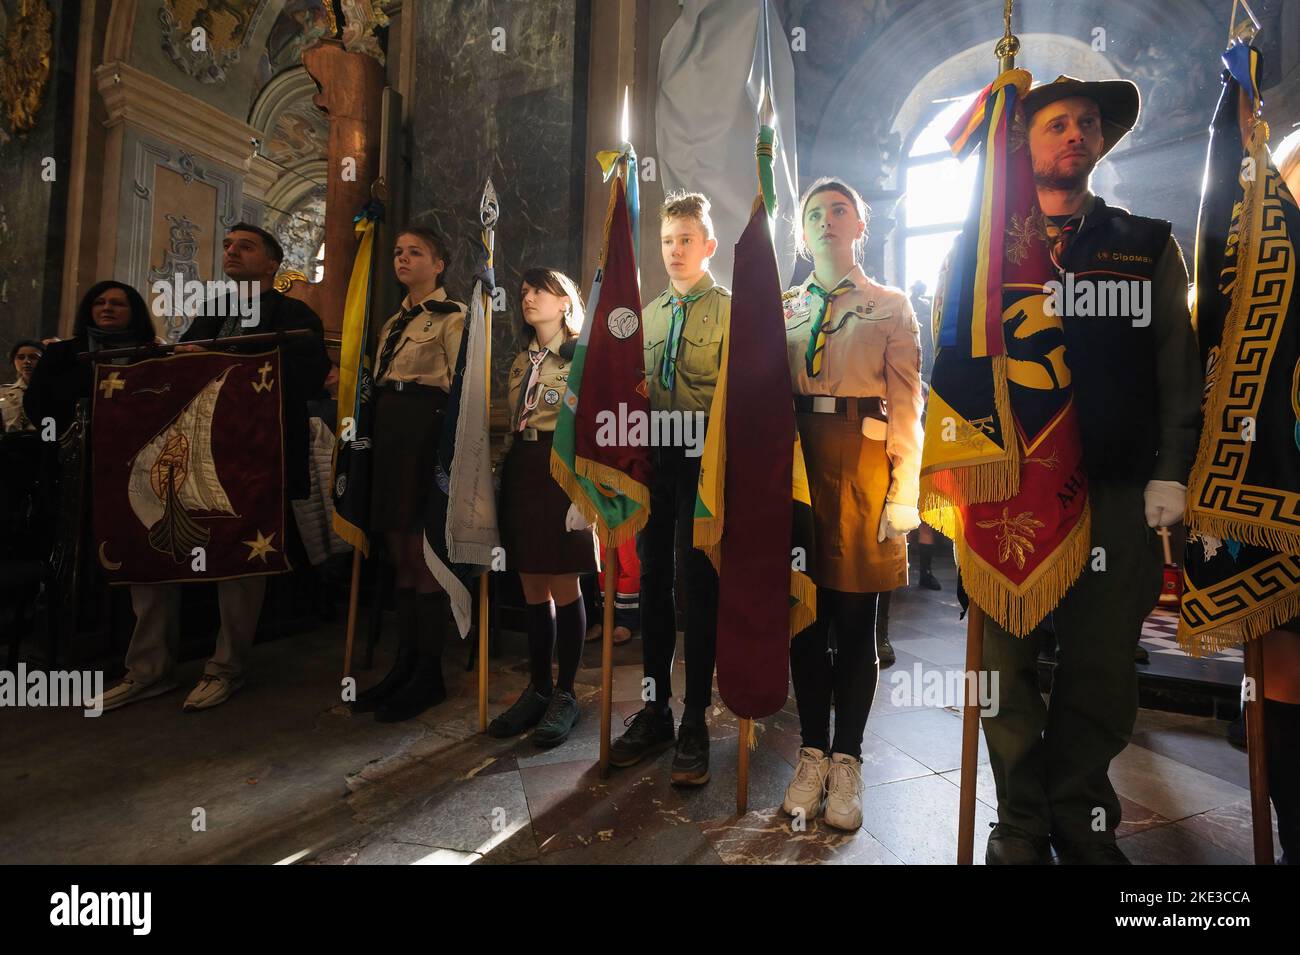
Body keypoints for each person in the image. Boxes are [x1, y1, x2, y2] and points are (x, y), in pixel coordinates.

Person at [975, 77, 1202, 864]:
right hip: (1010, 495)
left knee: (1102, 671)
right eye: (1057, 123)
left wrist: (1171, 472)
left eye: (1087, 124)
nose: (1076, 133)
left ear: (1100, 144)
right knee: (1002, 674)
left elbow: (1180, 372)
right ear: (1023, 144)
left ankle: (1082, 814)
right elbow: (954, 373)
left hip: (1114, 491)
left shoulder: (1146, 245)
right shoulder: (982, 253)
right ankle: (1020, 821)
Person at [93, 223, 329, 713]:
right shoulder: (213, 311)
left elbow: (308, 375)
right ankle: (149, 669)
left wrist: (232, 360)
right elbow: (179, 368)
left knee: (238, 556)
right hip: (190, 450)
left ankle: (227, 667)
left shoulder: (292, 313)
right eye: (226, 245)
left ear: (272, 264)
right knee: (152, 544)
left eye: (246, 246)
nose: (232, 252)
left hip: (251, 455)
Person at [779, 177, 923, 830]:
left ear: (859, 225)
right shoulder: (783, 309)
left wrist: (905, 491)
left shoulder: (891, 305)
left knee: (856, 622)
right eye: (814, 213)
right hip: (799, 469)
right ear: (802, 233)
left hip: (864, 469)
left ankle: (849, 759)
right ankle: (811, 752)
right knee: (805, 618)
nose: (827, 220)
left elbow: (908, 406)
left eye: (840, 209)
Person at [609, 191, 730, 786]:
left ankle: (695, 719)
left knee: (697, 585)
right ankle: (655, 708)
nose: (675, 250)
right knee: (653, 582)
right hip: (653, 457)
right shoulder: (646, 313)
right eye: (667, 241)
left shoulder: (732, 311)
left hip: (703, 461)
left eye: (686, 240)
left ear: (708, 245)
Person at [349, 226, 463, 723]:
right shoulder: (393, 321)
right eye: (398, 252)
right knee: (396, 549)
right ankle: (404, 663)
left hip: (423, 431)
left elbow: (462, 388)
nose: (403, 258)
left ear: (438, 264)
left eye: (416, 252)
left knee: (421, 551)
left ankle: (429, 674)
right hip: (388, 432)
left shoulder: (452, 317)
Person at [488, 267, 598, 746]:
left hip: (562, 468)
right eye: (524, 290)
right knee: (532, 581)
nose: (528, 296)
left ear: (566, 302)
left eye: (540, 290)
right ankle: (538, 687)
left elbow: (595, 425)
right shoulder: (520, 361)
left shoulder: (581, 357)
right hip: (524, 467)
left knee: (563, 580)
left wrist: (587, 491)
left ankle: (567, 694)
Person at [1, 340, 43, 432]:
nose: (27, 361)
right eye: (21, 357)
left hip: (43, 443)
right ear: (14, 361)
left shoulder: (53, 392)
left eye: (33, 357)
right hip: (10, 444)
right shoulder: (3, 393)